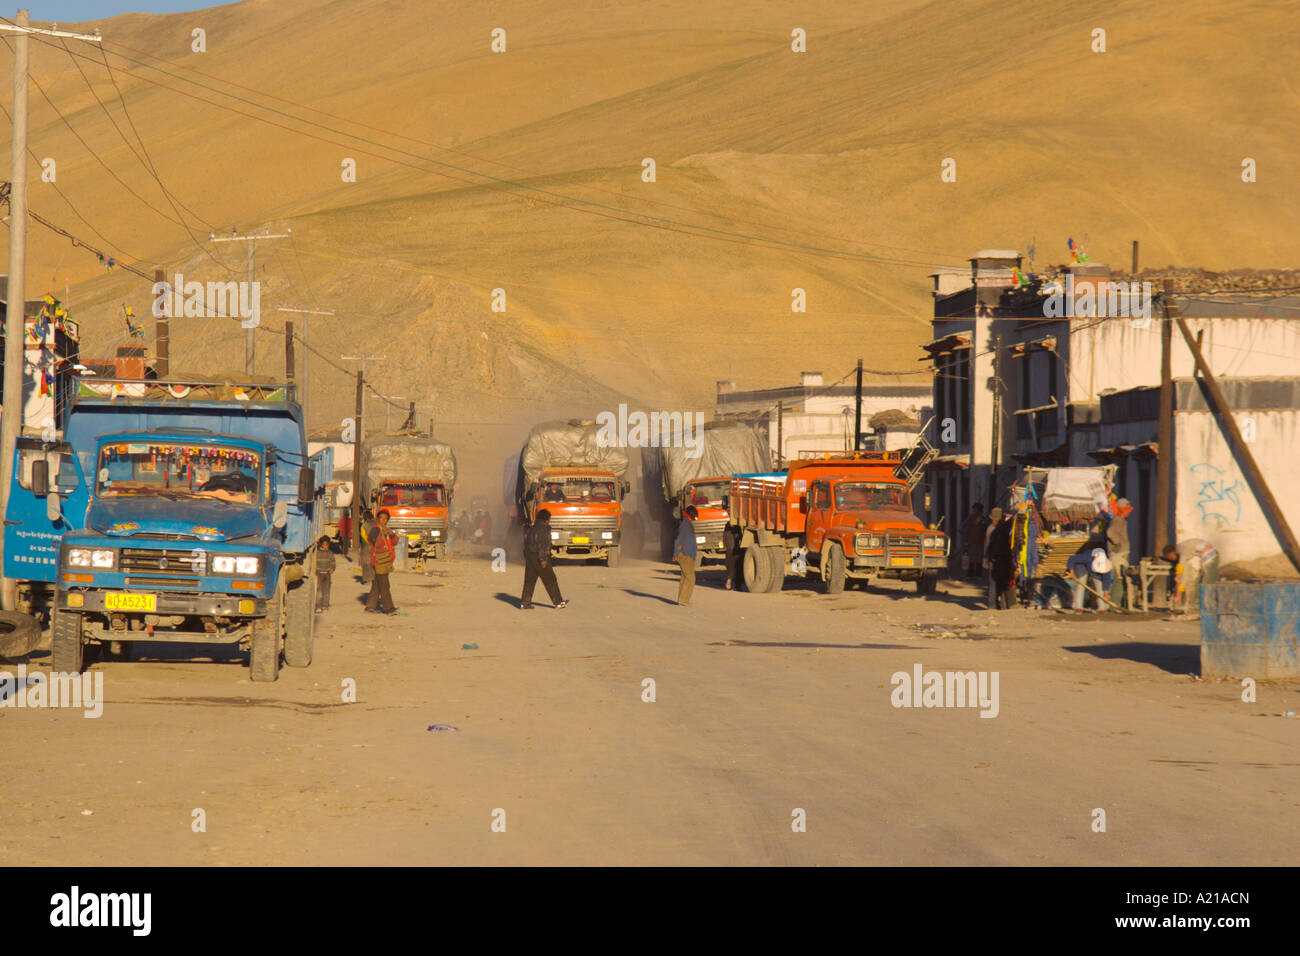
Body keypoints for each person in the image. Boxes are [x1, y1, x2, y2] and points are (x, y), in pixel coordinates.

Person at [521, 509, 566, 609]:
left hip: (530, 558)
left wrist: (527, 558)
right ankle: (558, 602)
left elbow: (525, 544)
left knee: (529, 581)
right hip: (539, 558)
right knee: (550, 580)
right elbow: (541, 545)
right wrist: (542, 560)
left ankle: (525, 603)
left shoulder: (531, 528)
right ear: (546, 518)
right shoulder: (543, 529)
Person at [1163, 539, 1219, 618]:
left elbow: (1182, 565)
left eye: (1171, 557)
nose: (1172, 559)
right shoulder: (1183, 555)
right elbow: (1184, 576)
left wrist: (1178, 574)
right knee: (1198, 586)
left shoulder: (1181, 549)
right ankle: (1197, 610)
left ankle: (1209, 611)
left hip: (1211, 557)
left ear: (1174, 551)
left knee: (1206, 586)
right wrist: (1179, 592)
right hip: (1207, 559)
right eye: (1170, 558)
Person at [364, 510, 398, 614]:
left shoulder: (387, 530)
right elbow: (373, 543)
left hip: (385, 561)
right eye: (381, 518)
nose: (383, 520)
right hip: (378, 560)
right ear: (377, 519)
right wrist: (382, 535)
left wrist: (391, 534)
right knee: (384, 584)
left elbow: (395, 542)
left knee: (377, 584)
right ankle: (389, 608)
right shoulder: (375, 530)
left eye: (385, 519)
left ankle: (370, 606)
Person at [984, 508, 1013, 609]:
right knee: (997, 583)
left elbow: (987, 545)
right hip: (999, 558)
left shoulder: (992, 528)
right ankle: (995, 605)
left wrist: (986, 558)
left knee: (994, 582)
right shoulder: (1001, 528)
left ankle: (994, 605)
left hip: (996, 558)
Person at [1106, 498, 1133, 607]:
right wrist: (1118, 543)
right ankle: (1114, 605)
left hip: (1121, 555)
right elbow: (1110, 532)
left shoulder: (1121, 521)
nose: (1129, 511)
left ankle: (1119, 604)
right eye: (1127, 509)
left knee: (1121, 580)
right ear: (1122, 509)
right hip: (1118, 556)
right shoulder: (1117, 520)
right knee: (1118, 580)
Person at [674, 505, 699, 606]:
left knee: (685, 577)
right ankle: (684, 600)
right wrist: (676, 553)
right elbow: (679, 540)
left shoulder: (687, 523)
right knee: (690, 577)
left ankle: (681, 599)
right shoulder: (685, 524)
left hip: (688, 554)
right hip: (685, 555)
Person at [962, 503, 988, 579]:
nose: (974, 511)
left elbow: (984, 529)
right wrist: (966, 540)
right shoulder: (970, 518)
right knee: (971, 558)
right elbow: (966, 530)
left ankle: (978, 574)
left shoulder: (983, 519)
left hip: (980, 542)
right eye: (974, 509)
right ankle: (970, 574)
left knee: (979, 558)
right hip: (971, 541)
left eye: (976, 509)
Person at [314, 535, 335, 612]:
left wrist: (332, 568)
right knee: (319, 591)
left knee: (326, 591)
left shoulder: (330, 553)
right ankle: (318, 606)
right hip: (319, 573)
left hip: (327, 574)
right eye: (324, 544)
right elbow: (315, 563)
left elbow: (333, 561)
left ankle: (325, 606)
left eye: (327, 545)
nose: (326, 546)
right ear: (321, 544)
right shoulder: (317, 553)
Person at [723, 521, 742, 591]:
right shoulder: (737, 525)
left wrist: (725, 545)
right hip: (734, 549)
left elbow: (724, 536)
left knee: (731, 567)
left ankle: (730, 581)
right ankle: (736, 585)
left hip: (731, 548)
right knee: (736, 567)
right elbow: (739, 536)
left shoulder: (728, 525)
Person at [360, 508, 377, 585]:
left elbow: (363, 536)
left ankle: (367, 579)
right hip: (377, 546)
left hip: (367, 546)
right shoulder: (376, 523)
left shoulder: (364, 525)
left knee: (366, 563)